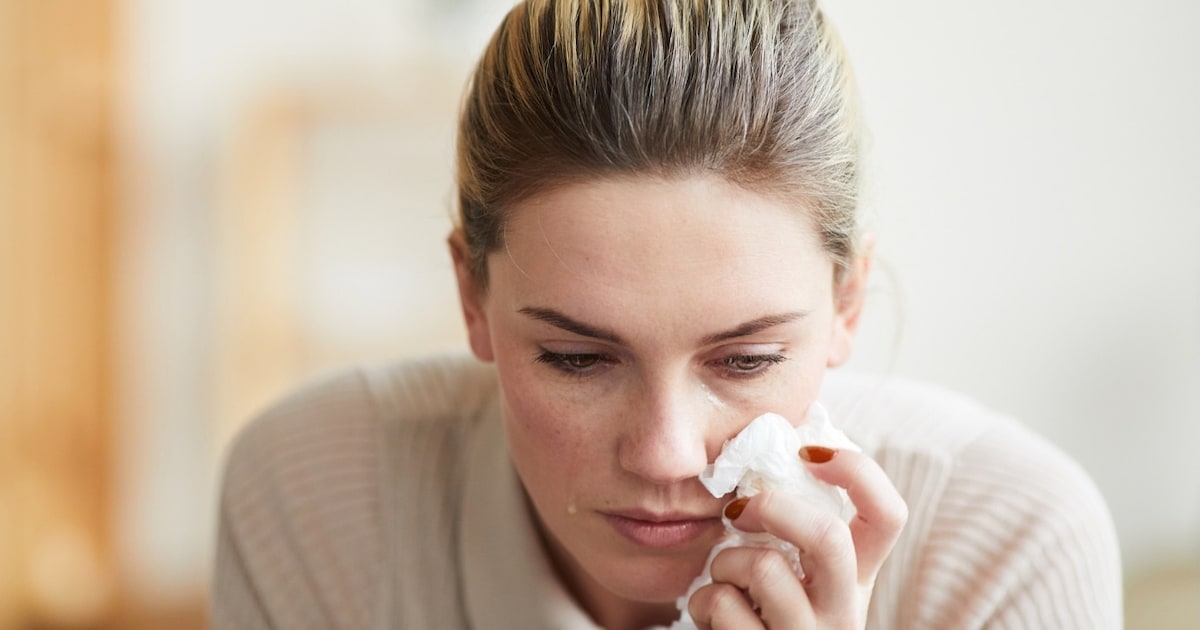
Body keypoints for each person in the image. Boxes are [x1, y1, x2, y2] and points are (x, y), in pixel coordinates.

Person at [211, 0, 1122, 628]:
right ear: (470, 295)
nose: (665, 454)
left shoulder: (1009, 545)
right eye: (576, 358)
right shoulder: (320, 498)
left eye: (747, 360)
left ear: (847, 302)